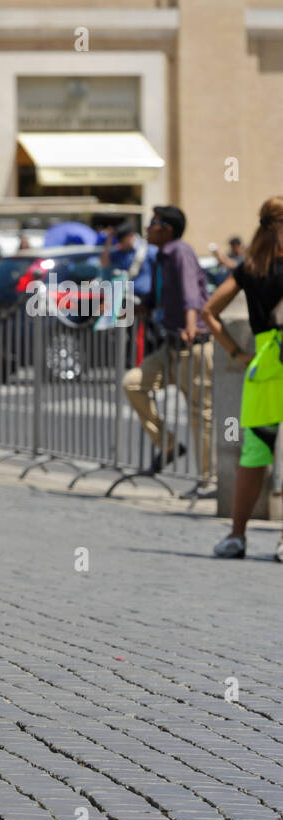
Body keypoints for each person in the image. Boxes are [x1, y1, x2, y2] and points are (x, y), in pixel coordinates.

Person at [199, 197, 283, 561]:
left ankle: (236, 536)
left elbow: (209, 311)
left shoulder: (251, 267)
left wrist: (236, 352)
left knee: (255, 453)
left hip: (263, 363)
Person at [121, 205, 214, 485]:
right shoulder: (161, 256)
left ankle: (209, 480)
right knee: (133, 383)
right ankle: (169, 445)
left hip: (191, 344)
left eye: (153, 223)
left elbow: (190, 295)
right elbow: (155, 300)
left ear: (167, 229)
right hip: (170, 346)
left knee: (200, 413)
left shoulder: (180, 251)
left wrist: (190, 326)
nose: (148, 228)